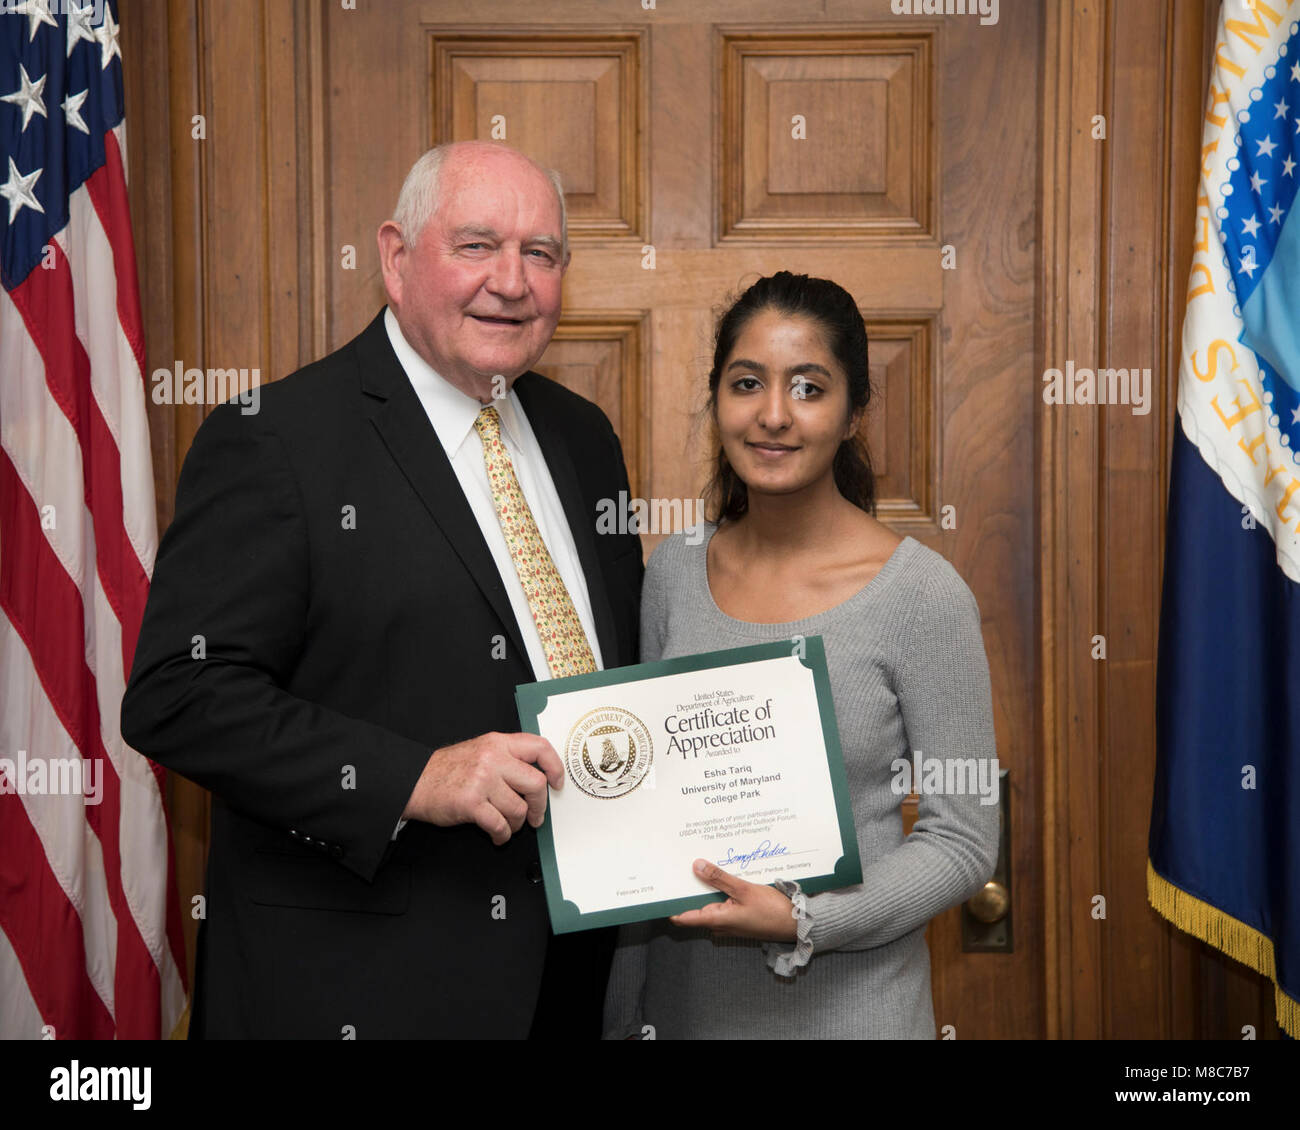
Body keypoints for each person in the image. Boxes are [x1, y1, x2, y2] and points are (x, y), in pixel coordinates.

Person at [121, 141, 644, 1039]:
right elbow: (179, 697)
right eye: (477, 246)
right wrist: (417, 777)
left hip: (570, 978)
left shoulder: (582, 436)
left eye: (542, 254)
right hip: (359, 990)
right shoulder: (277, 440)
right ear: (397, 258)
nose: (512, 283)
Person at [602, 271, 998, 1039]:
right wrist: (622, 1020)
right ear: (716, 398)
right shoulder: (674, 574)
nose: (773, 416)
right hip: (686, 1013)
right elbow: (642, 820)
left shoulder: (922, 594)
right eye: (747, 383)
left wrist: (802, 918)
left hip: (853, 1014)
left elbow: (962, 838)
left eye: (809, 389)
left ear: (854, 414)